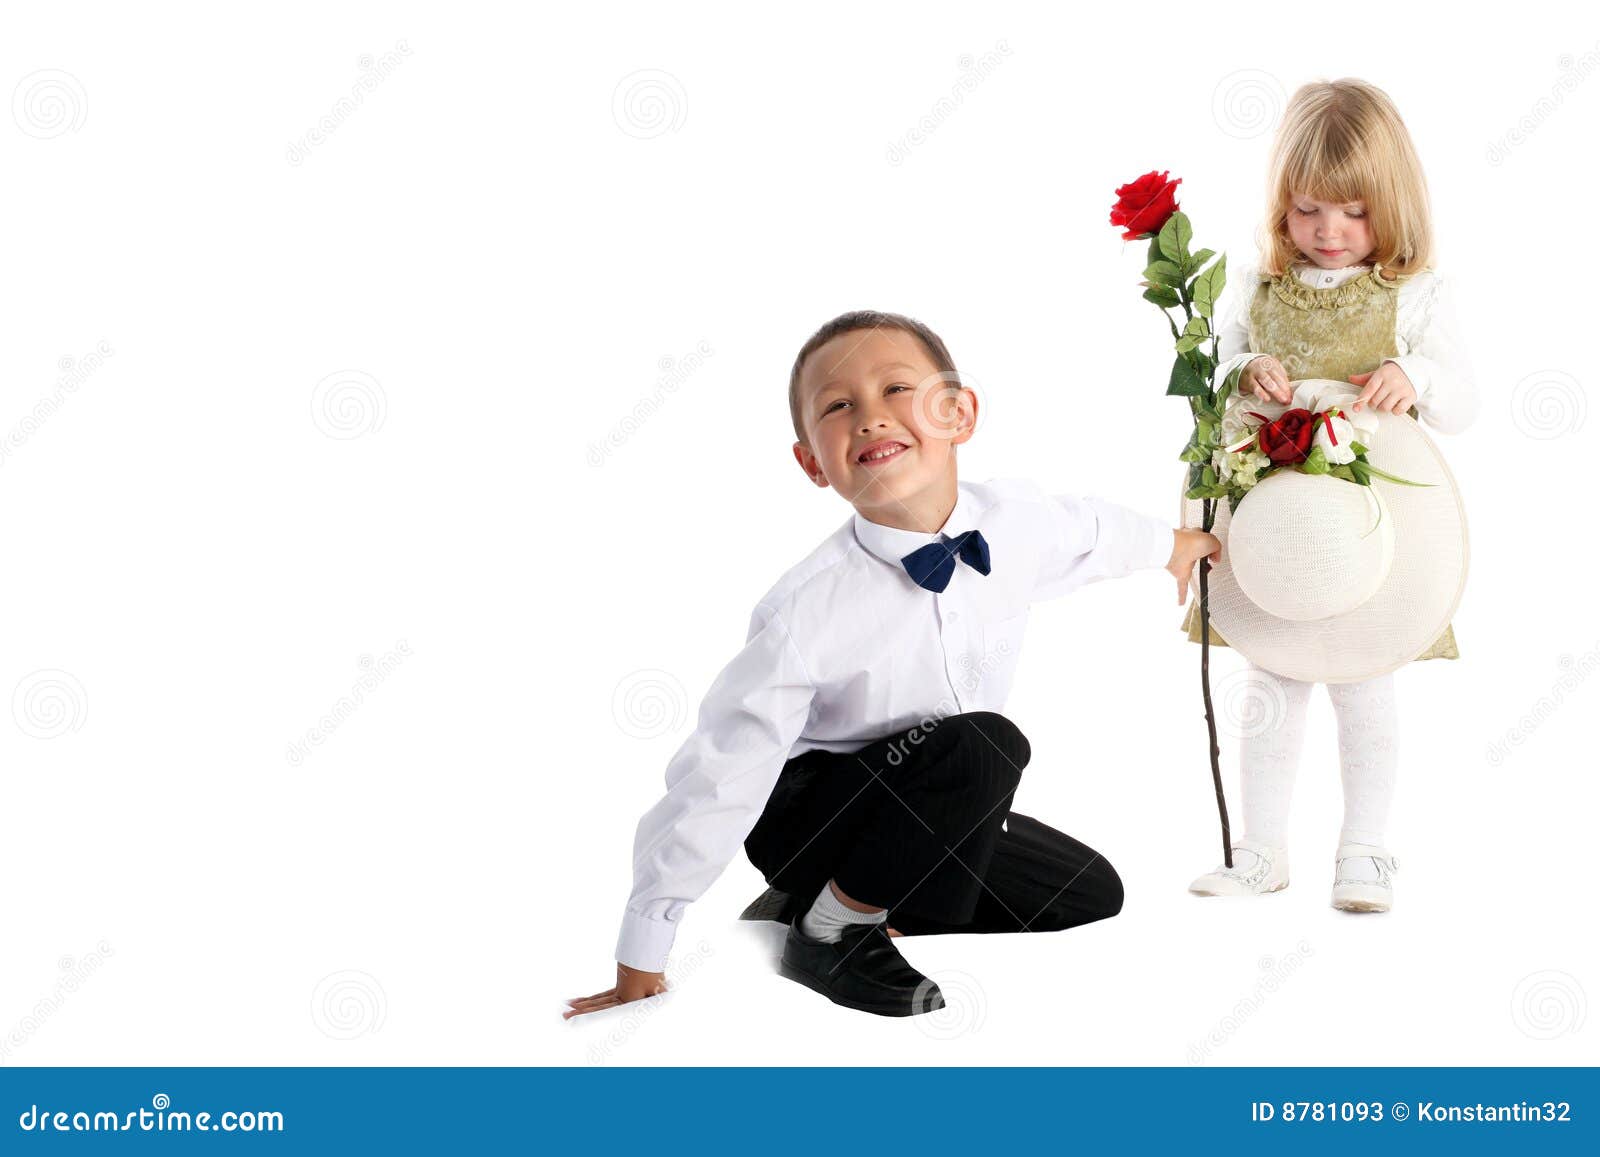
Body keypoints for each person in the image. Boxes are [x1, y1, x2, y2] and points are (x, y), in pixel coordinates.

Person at [566, 310, 1219, 1019]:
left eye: (895, 388)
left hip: (924, 801)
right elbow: (722, 773)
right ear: (813, 461)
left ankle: (818, 903)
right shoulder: (806, 610)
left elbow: (1090, 532)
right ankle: (832, 928)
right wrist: (645, 947)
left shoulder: (1015, 519)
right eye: (839, 406)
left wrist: (1175, 543)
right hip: (808, 814)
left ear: (959, 412)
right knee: (988, 744)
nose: (871, 418)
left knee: (1089, 891)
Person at [1185, 78, 1479, 912]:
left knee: (1366, 690)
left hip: (1372, 537)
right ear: (1282, 208)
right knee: (1271, 692)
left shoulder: (1416, 295)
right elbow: (1212, 388)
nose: (1330, 232)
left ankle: (1364, 848)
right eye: (1310, 210)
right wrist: (1243, 368)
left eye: (1354, 212)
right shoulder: (1255, 287)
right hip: (1276, 533)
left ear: (1393, 207)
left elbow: (1462, 403)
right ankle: (1261, 849)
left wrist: (1412, 374)